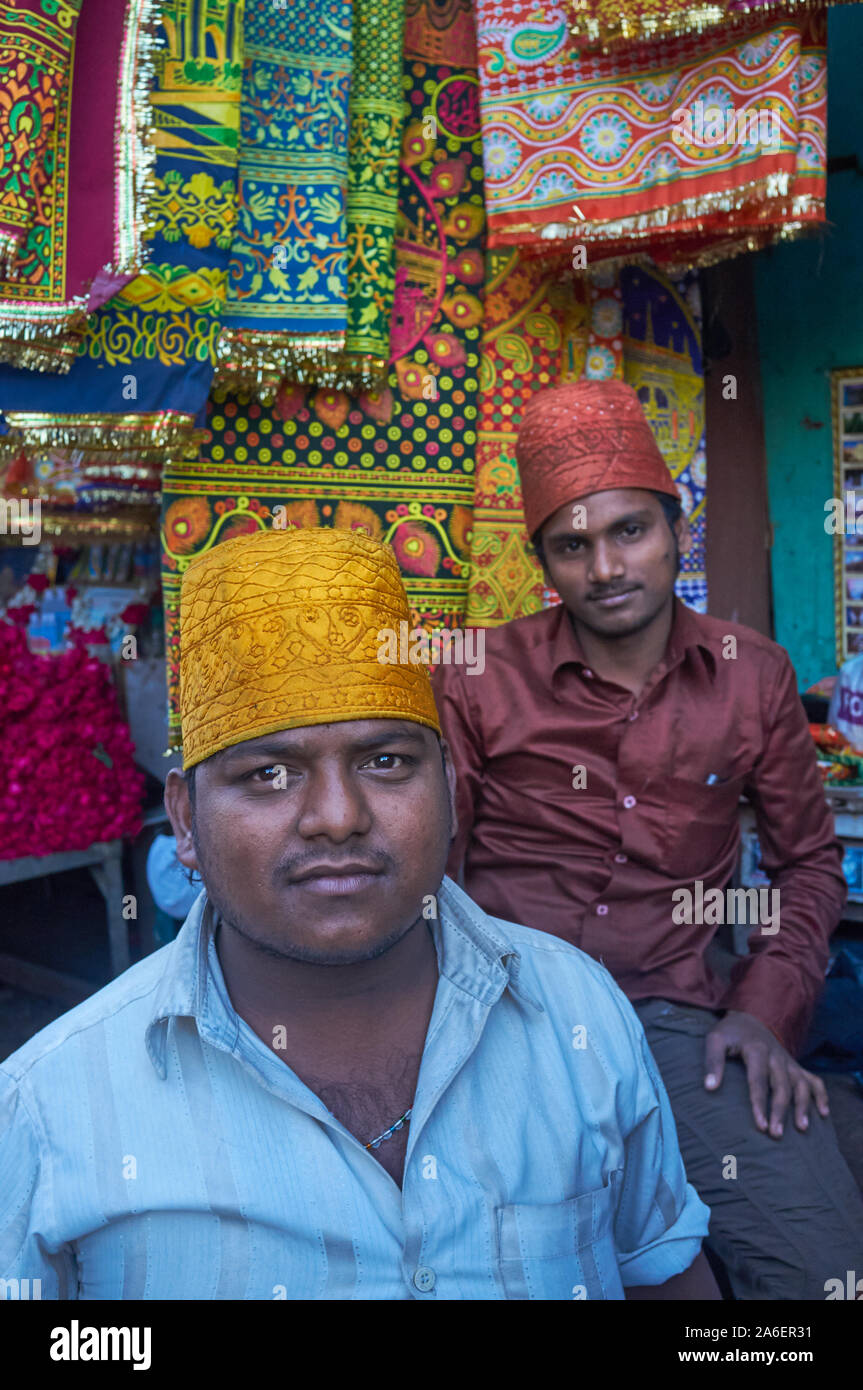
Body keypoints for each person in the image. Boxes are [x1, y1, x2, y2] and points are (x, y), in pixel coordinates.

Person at [0, 526, 716, 1300]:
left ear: (448, 785)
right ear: (184, 821)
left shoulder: (577, 1013)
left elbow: (661, 1274)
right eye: (268, 773)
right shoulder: (52, 1106)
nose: (336, 818)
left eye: (385, 762)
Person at [433, 378, 863, 1300]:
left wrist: (765, 1009)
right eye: (572, 545)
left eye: (629, 531)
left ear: (676, 532)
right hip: (506, 1019)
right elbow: (430, 870)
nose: (606, 567)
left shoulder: (753, 678)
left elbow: (805, 865)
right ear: (544, 563)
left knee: (825, 1276)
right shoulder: (478, 678)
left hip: (672, 1022)